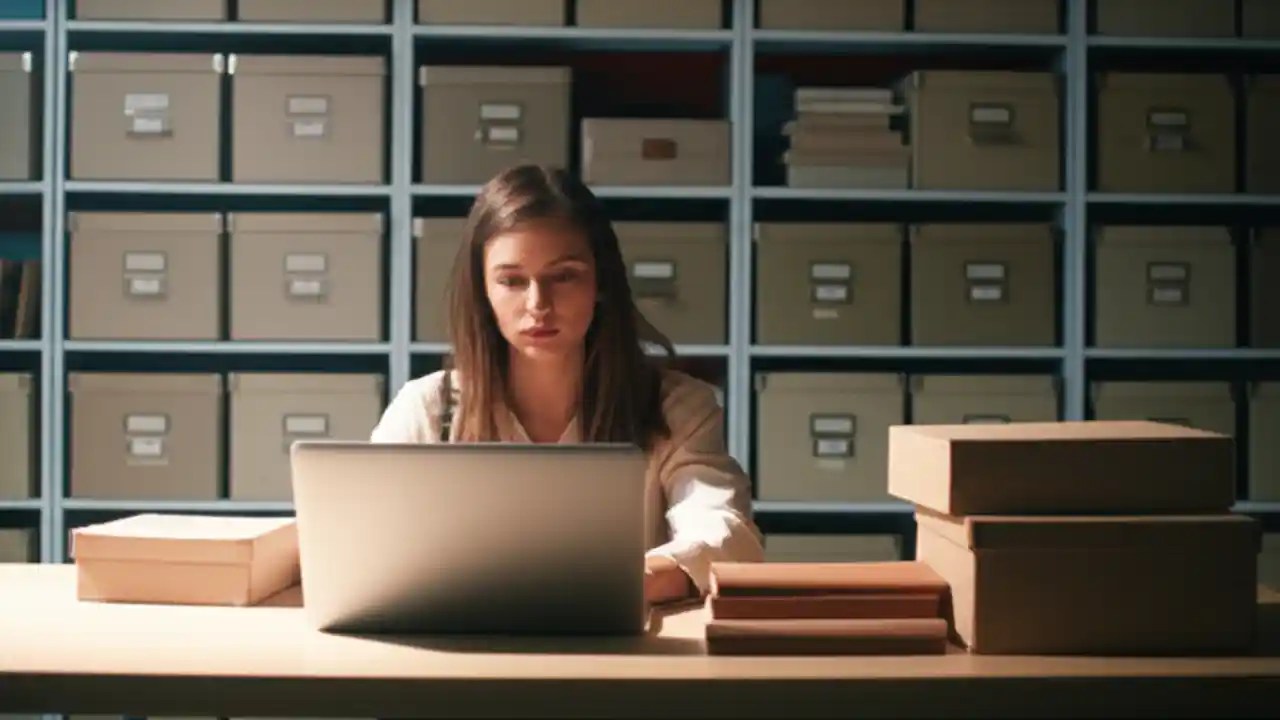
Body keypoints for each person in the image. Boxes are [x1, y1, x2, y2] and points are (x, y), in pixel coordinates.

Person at [370, 164, 764, 606]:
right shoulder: (428, 408)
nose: (538, 305)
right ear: (483, 291)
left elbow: (725, 531)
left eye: (564, 276)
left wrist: (633, 580)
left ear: (600, 282)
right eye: (512, 281)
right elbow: (363, 543)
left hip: (624, 658)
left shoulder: (677, 406)